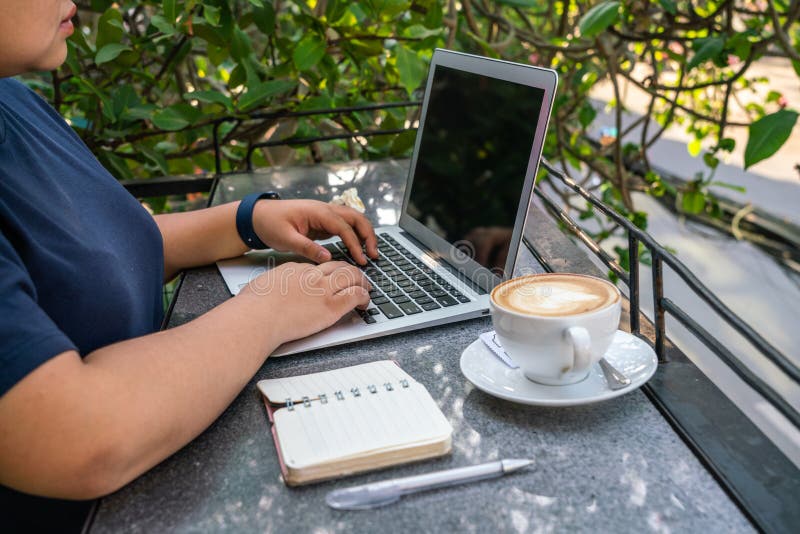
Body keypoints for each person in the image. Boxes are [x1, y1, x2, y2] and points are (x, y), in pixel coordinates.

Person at [0, 0, 376, 516]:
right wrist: (268, 310)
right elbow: (74, 436)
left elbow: (81, 253)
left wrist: (245, 222)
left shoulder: (11, 100)